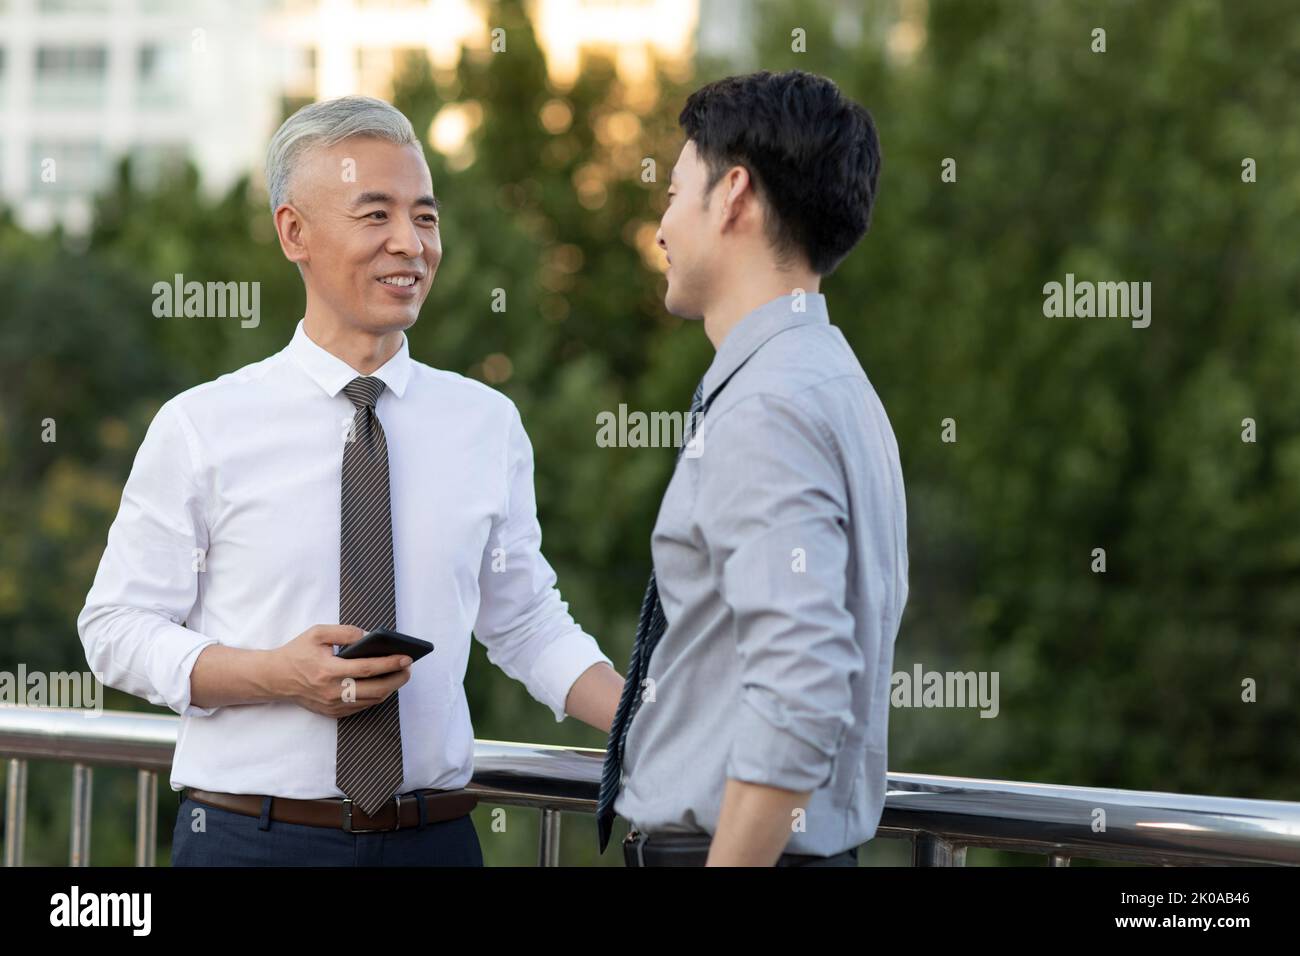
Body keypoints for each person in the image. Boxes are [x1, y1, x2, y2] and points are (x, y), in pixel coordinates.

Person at [77, 95, 625, 867]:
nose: (411, 243)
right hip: (248, 843)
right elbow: (115, 629)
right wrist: (275, 675)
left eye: (426, 217)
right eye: (376, 215)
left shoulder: (486, 423)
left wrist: (647, 721)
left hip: (433, 845)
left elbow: (527, 621)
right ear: (293, 231)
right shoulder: (202, 425)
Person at [596, 70, 909, 866]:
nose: (662, 224)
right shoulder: (829, 378)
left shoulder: (767, 404)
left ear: (733, 194)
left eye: (673, 192)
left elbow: (802, 683)